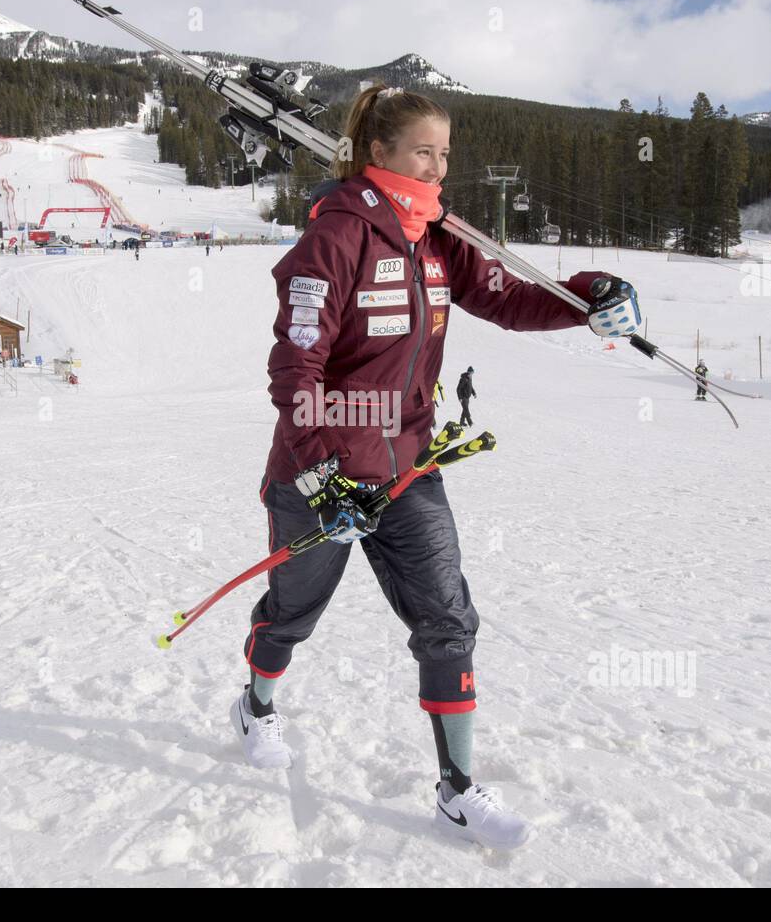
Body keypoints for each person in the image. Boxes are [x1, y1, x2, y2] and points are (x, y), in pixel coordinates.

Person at [234, 83, 642, 850]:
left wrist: (589, 296)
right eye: (423, 151)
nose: (438, 166)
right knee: (293, 614)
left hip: (410, 467)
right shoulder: (334, 239)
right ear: (378, 153)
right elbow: (296, 372)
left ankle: (457, 788)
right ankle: (256, 705)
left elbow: (511, 299)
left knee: (448, 618)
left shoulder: (436, 238)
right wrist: (326, 471)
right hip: (322, 472)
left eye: (445, 153)